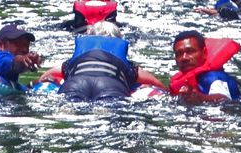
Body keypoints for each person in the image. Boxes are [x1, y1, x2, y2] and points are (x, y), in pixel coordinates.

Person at [37, 21, 166, 101]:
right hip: (110, 86)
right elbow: (156, 84)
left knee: (69, 110)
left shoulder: (76, 59)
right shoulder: (126, 64)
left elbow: (46, 76)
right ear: (118, 39)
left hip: (75, 84)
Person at [169, 29, 241, 103]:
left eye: (190, 51)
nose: (184, 57)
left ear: (204, 53)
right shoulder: (185, 80)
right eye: (179, 53)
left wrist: (199, 98)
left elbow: (223, 99)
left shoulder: (213, 78)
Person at [0, 22, 43, 90]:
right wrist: (22, 60)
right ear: (1, 45)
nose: (24, 49)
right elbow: (9, 62)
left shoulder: (16, 82)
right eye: (17, 43)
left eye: (26, 45)